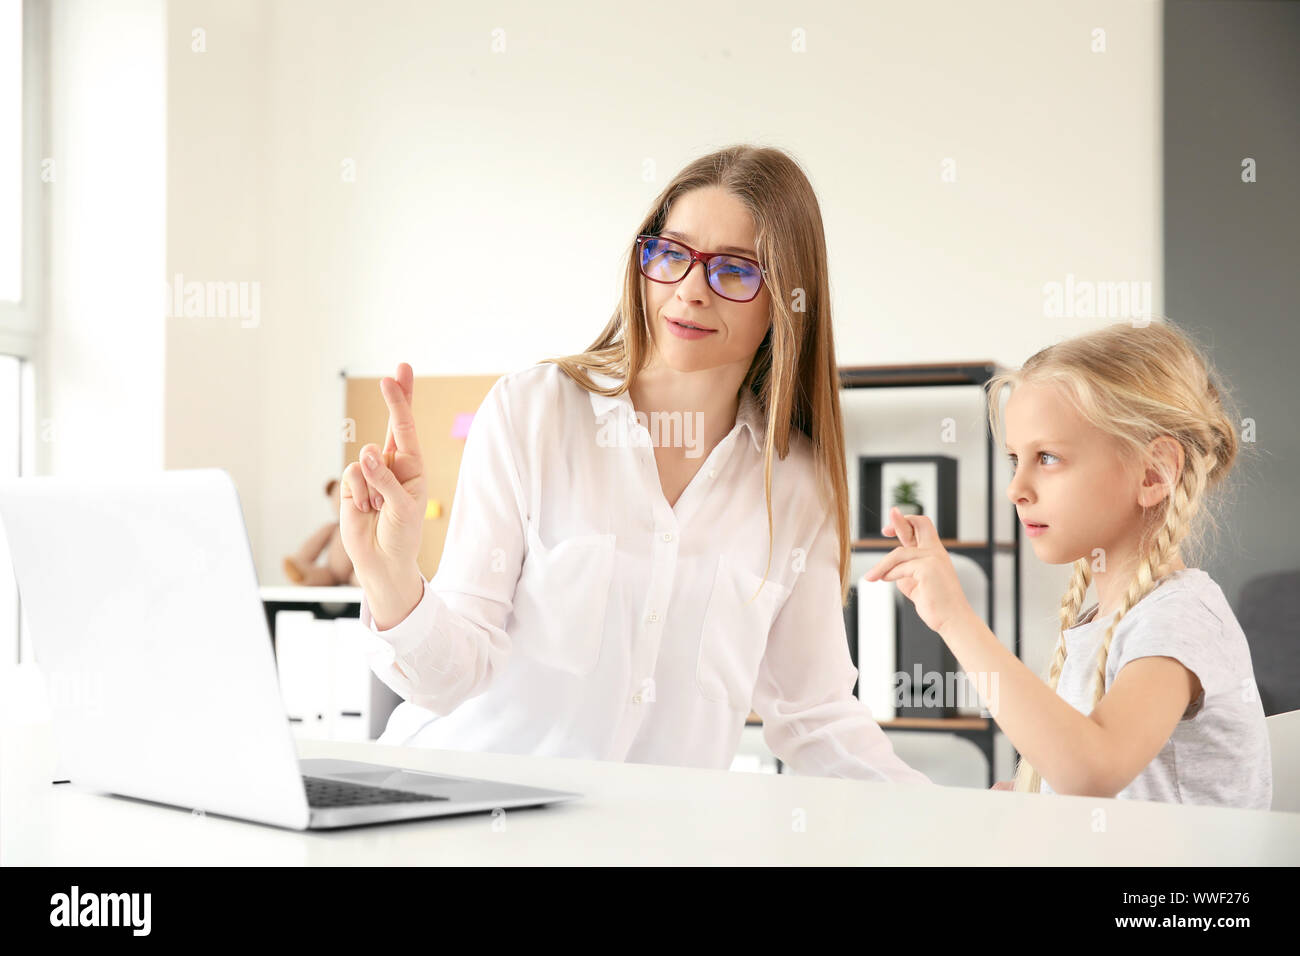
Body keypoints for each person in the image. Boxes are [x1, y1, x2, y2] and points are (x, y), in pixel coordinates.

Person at [339, 144, 930, 784]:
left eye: (735, 271)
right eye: (672, 255)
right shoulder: (535, 412)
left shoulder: (796, 484)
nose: (692, 290)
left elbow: (815, 715)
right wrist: (390, 576)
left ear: (788, 299)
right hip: (453, 815)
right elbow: (449, 681)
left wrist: (956, 824)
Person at [867, 320, 1272, 807]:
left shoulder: (1181, 619)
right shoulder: (1105, 620)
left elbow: (1092, 770)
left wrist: (955, 618)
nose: (1016, 488)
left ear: (1153, 472)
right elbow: (1091, 785)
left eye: (1049, 457)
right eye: (1017, 458)